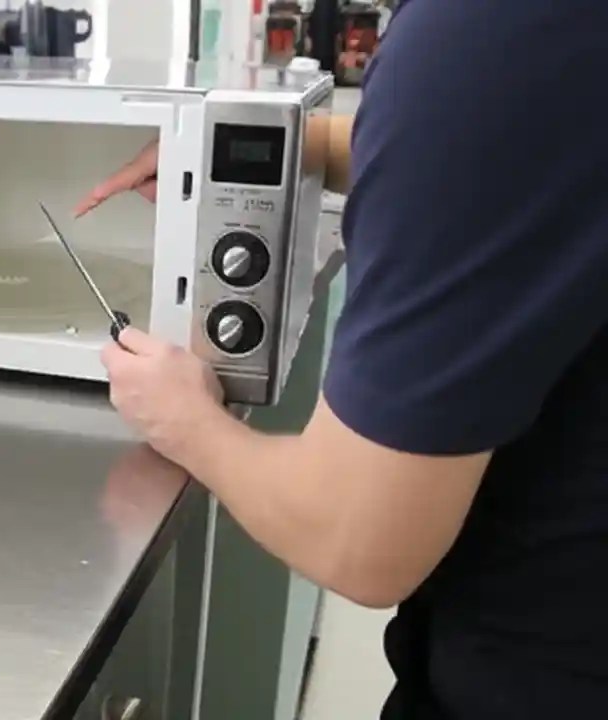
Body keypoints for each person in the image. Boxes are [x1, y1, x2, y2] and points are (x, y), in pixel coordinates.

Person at [75, 2, 608, 719]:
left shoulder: (488, 28)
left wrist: (186, 420)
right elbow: (520, 141)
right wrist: (294, 144)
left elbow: (356, 537)